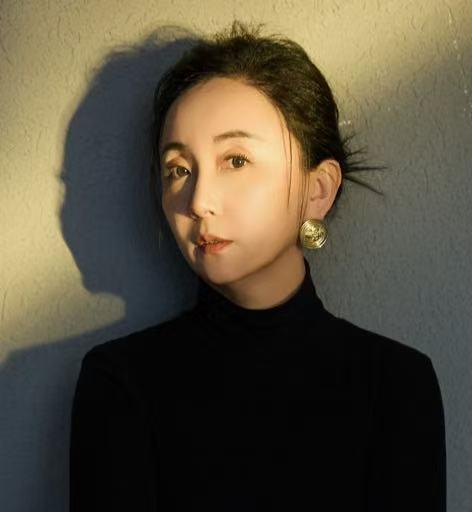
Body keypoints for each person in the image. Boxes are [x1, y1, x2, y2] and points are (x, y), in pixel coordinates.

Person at [69, 20, 446, 511]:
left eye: (236, 161)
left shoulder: (396, 384)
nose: (198, 201)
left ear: (318, 190)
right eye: (178, 169)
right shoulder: (121, 382)